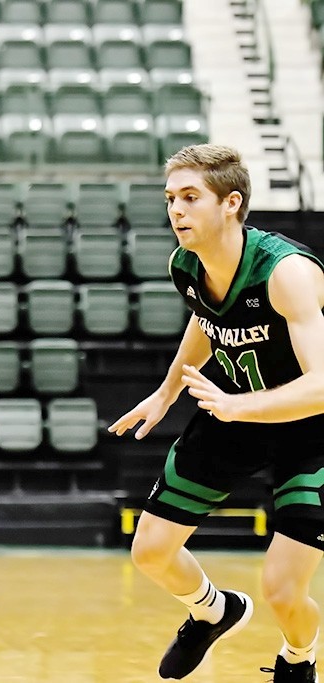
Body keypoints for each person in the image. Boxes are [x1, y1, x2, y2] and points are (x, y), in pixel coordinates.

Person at [109, 144, 324, 682]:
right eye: (170, 199)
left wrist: (237, 406)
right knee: (151, 552)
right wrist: (166, 392)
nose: (175, 211)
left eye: (189, 198)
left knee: (282, 590)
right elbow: (205, 321)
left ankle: (299, 658)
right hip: (234, 417)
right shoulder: (186, 265)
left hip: (309, 428)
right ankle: (213, 610)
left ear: (231, 203)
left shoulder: (287, 272)